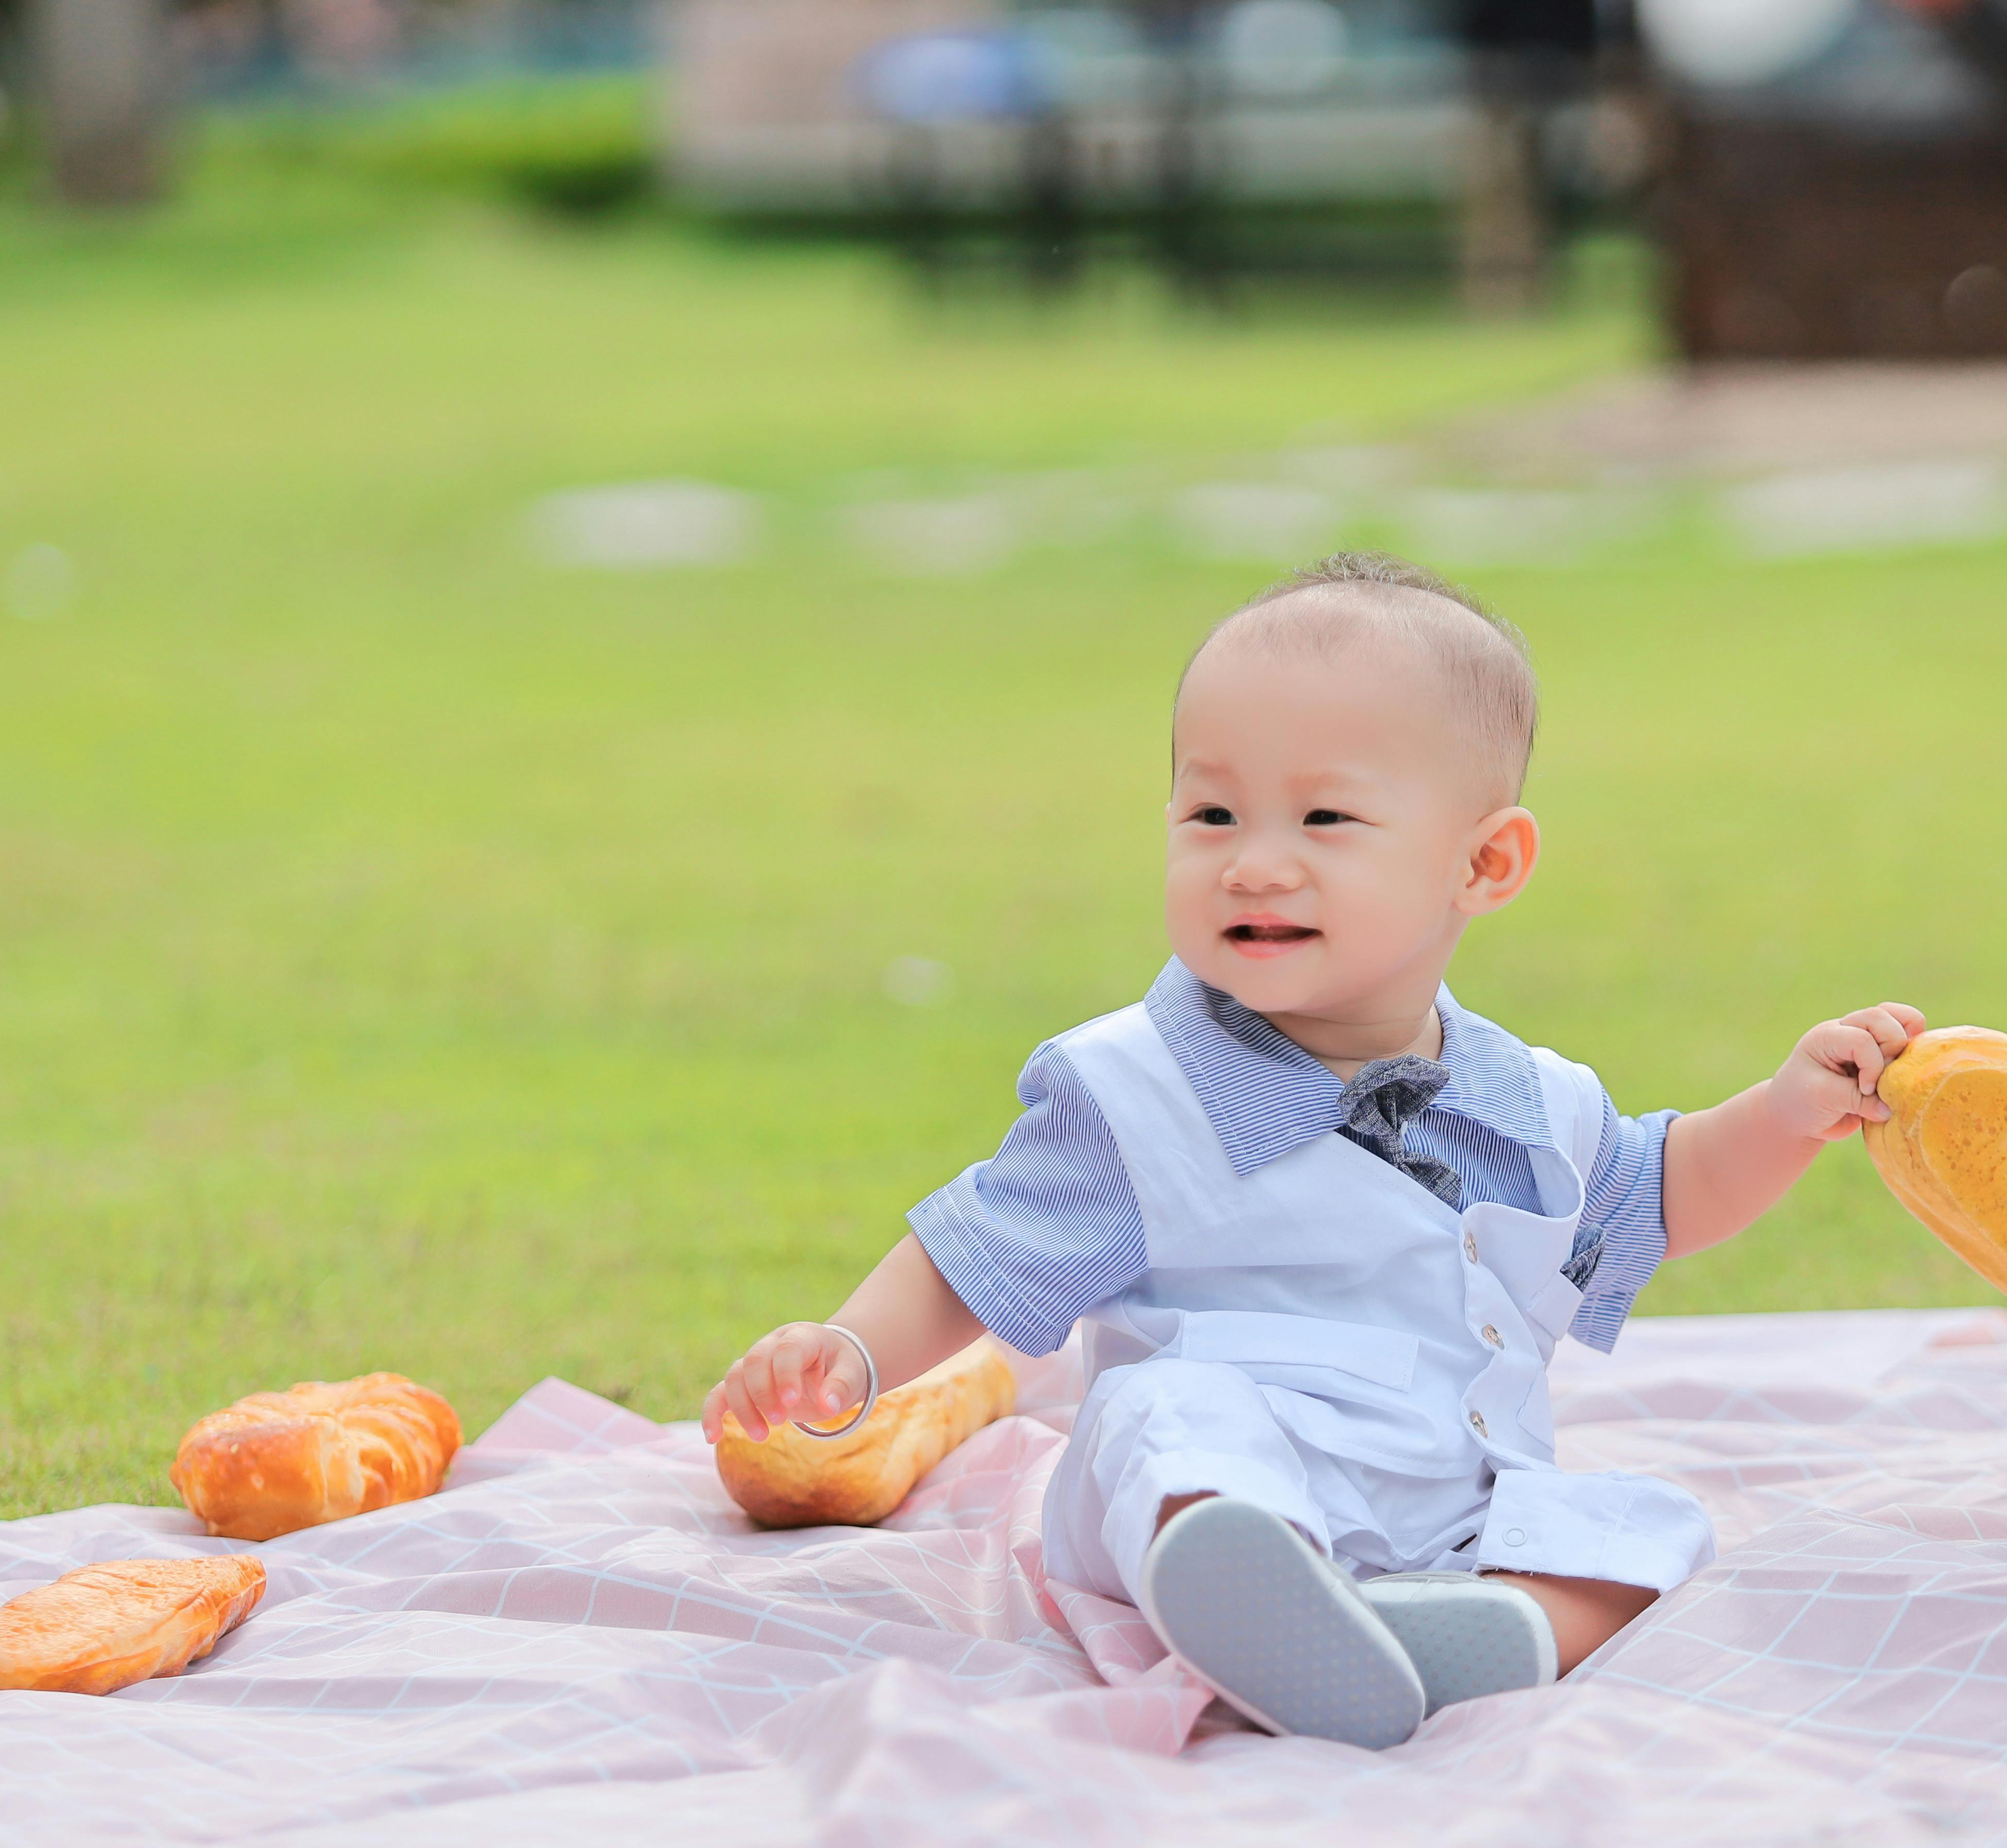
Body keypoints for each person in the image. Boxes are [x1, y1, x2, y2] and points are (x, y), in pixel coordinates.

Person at [704, 552, 1921, 1749]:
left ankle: (1474, 1631)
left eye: (1324, 817)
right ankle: (1249, 1596)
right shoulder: (1137, 1092)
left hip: (1449, 1511)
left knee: (1642, 1527)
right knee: (1163, 1416)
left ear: (1483, 864)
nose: (1255, 858)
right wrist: (852, 1352)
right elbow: (977, 1257)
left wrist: (1779, 1113)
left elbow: (1665, 1189)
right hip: (1211, 1485)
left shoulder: (1530, 1105)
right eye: (1211, 812)